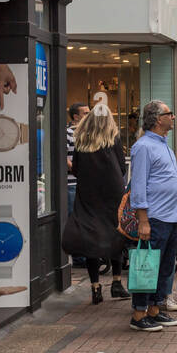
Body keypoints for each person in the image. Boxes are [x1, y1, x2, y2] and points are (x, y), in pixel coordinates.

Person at [128, 100, 177, 332]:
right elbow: (139, 185)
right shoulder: (143, 146)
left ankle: (154, 310)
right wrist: (143, 219)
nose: (173, 117)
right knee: (148, 266)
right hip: (156, 217)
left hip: (171, 217)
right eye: (169, 114)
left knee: (165, 266)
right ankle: (139, 313)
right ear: (157, 119)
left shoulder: (164, 144)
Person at [61, 107, 128, 304]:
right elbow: (122, 167)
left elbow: (77, 169)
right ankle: (116, 283)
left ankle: (95, 287)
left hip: (88, 194)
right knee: (116, 233)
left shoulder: (81, 140)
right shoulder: (113, 138)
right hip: (112, 193)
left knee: (90, 237)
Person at [66, 101, 90, 265]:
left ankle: (82, 253)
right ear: (76, 117)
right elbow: (65, 159)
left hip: (83, 184)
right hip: (71, 185)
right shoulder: (67, 133)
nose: (89, 116)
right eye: (85, 113)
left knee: (83, 219)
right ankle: (77, 256)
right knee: (74, 218)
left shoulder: (86, 134)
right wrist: (79, 172)